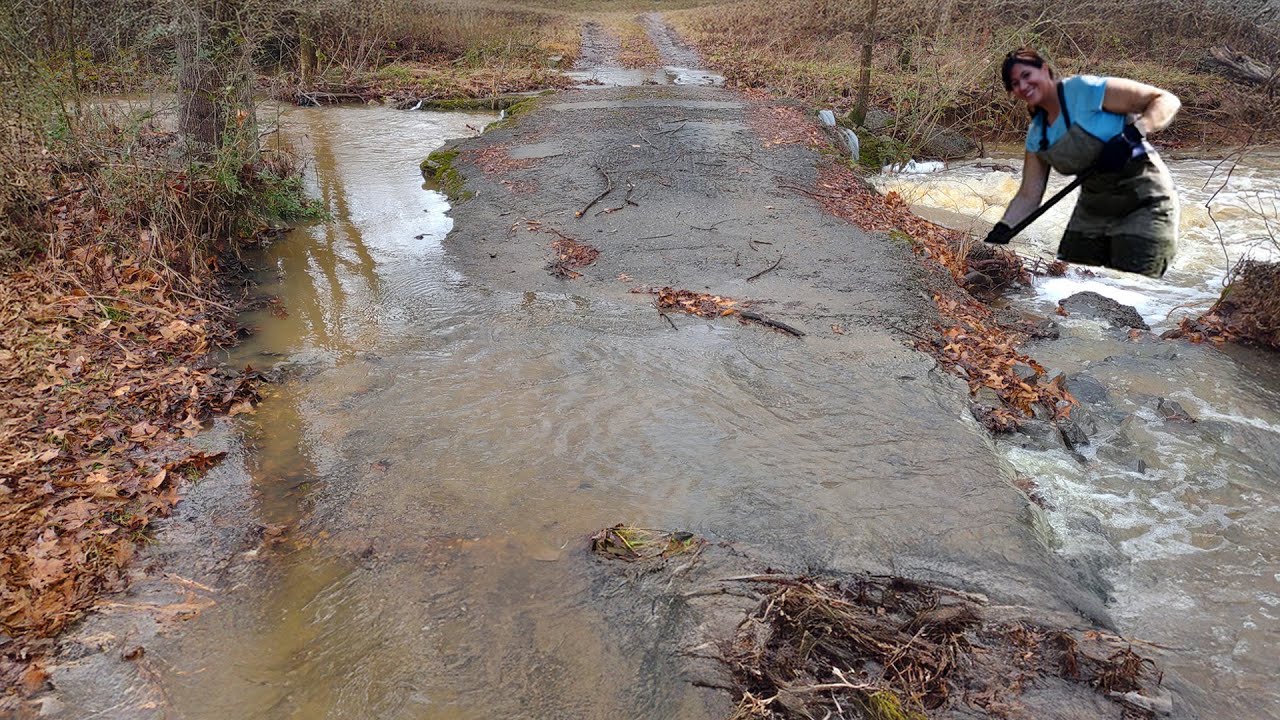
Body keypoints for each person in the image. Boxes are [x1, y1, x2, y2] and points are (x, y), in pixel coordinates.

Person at [984, 48, 1181, 278]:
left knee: (1136, 280)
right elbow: (1029, 195)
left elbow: (1166, 100)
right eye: (1015, 83)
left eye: (1027, 75)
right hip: (1093, 208)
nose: (1023, 86)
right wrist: (1002, 229)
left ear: (1045, 69)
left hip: (1143, 198)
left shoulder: (1084, 90)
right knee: (1072, 279)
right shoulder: (1037, 135)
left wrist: (1134, 133)